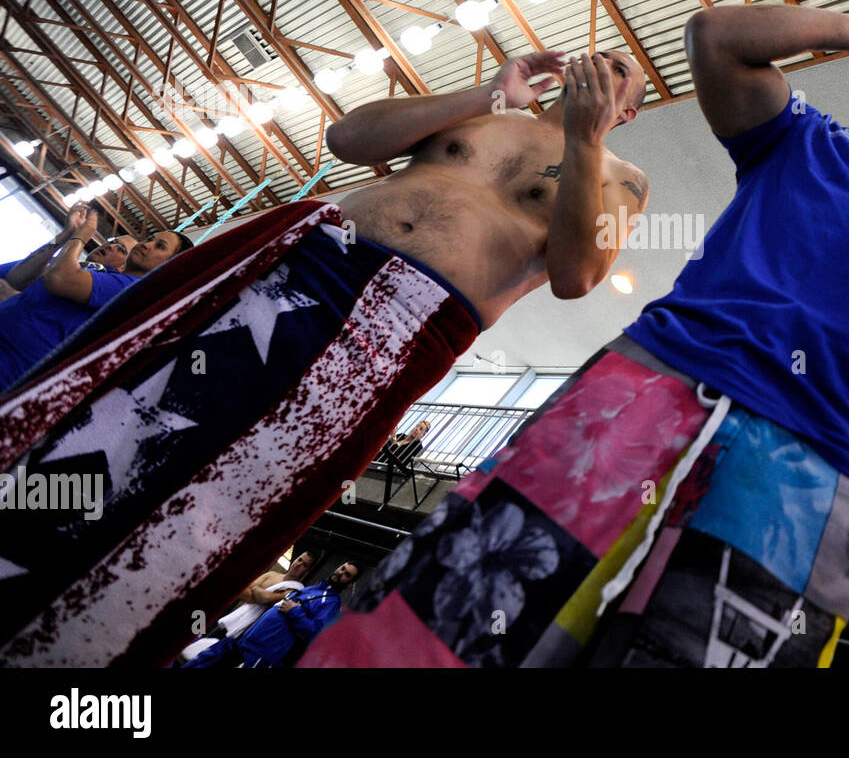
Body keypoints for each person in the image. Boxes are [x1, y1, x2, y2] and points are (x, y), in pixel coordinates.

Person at [300, 2, 849, 669]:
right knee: (452, 613)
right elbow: (713, 37)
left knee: (698, 653)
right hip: (655, 381)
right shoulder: (798, 137)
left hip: (819, 460)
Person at [0, 50, 648, 666]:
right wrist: (492, 91)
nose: (607, 65)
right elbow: (350, 139)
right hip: (308, 253)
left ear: (631, 110)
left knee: (230, 472)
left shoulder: (624, 177)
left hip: (405, 316)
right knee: (132, 397)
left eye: (624, 71)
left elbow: (580, 271)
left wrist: (587, 142)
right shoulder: (489, 114)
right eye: (603, 56)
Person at [0, 208, 190, 392]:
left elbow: (58, 278)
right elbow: (16, 279)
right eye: (150, 238)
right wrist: (68, 234)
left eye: (160, 246)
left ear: (170, 265)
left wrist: (82, 236)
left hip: (10, 365)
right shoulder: (96, 273)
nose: (146, 244)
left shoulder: (131, 289)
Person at [183, 561, 359, 668]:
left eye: (346, 574)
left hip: (262, 653)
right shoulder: (312, 590)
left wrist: (295, 611)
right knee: (204, 660)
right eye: (342, 568)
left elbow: (315, 634)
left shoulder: (331, 603)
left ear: (350, 584)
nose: (340, 573)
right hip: (245, 641)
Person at [176, 548, 317, 663]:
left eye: (304, 565)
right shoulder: (272, 575)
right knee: (191, 648)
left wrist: (257, 592)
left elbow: (265, 598)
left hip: (244, 631)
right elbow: (242, 592)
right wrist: (258, 595)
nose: (298, 565)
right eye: (299, 560)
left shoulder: (295, 590)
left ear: (307, 571)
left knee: (205, 660)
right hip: (232, 619)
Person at [0, 205, 134, 302]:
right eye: (112, 241)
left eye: (121, 249)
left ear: (123, 267)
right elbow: (14, 279)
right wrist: (67, 234)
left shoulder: (97, 290)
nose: (111, 246)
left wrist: (15, 299)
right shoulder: (55, 262)